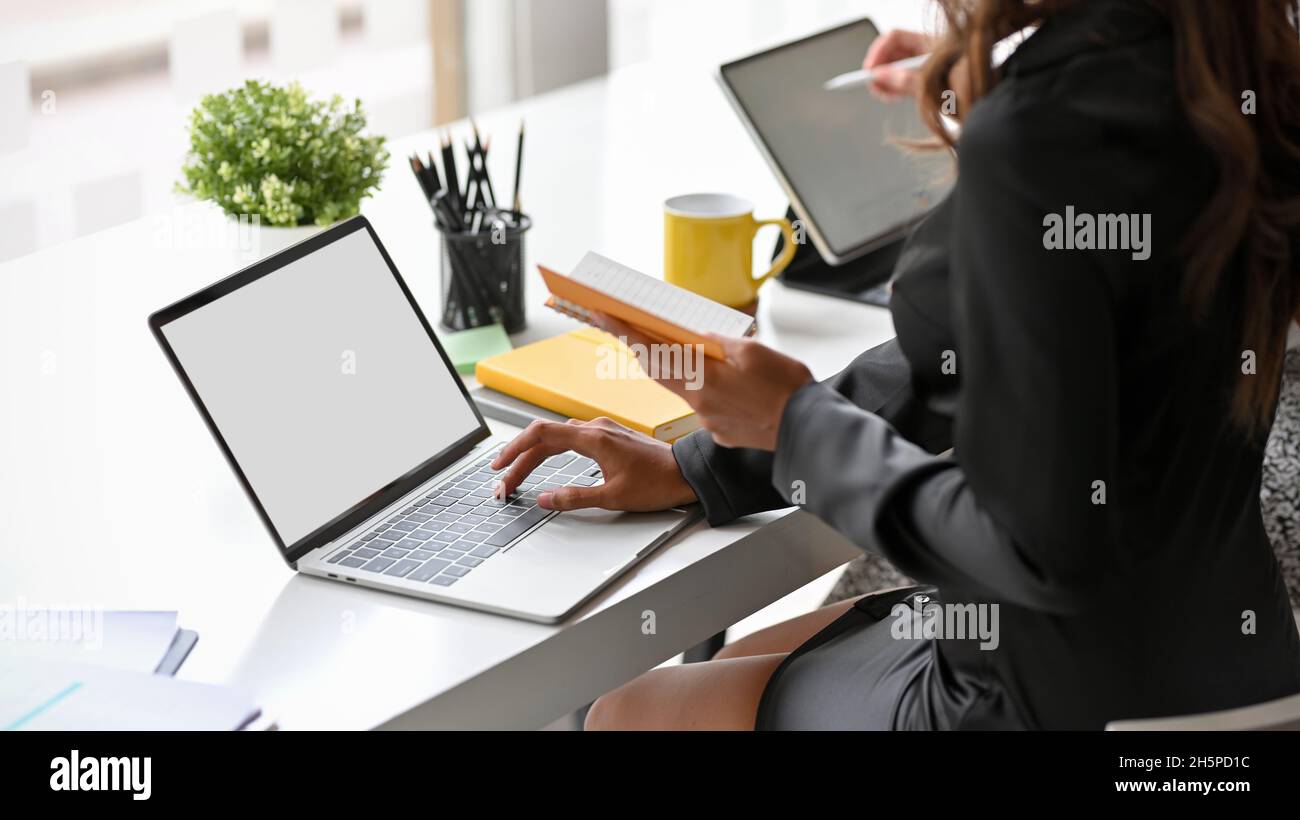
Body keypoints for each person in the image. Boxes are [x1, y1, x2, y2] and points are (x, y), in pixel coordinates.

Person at [493, 0, 1300, 729]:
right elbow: (972, 353)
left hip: (1045, 695)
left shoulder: (1039, 135)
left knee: (630, 714)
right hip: (1237, 660)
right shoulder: (1226, 66)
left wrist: (795, 424)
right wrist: (702, 464)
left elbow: (1043, 547)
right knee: (740, 661)